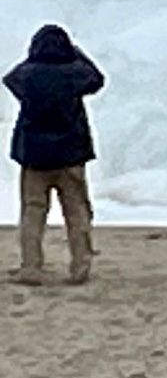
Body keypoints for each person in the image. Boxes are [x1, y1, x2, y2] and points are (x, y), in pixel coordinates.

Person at [5, 26, 104, 286]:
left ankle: (31, 267)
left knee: (33, 212)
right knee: (77, 211)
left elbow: (10, 79)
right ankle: (80, 266)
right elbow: (97, 79)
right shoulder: (74, 73)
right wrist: (78, 54)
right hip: (71, 155)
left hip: (34, 157)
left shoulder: (27, 74)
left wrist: (33, 59)